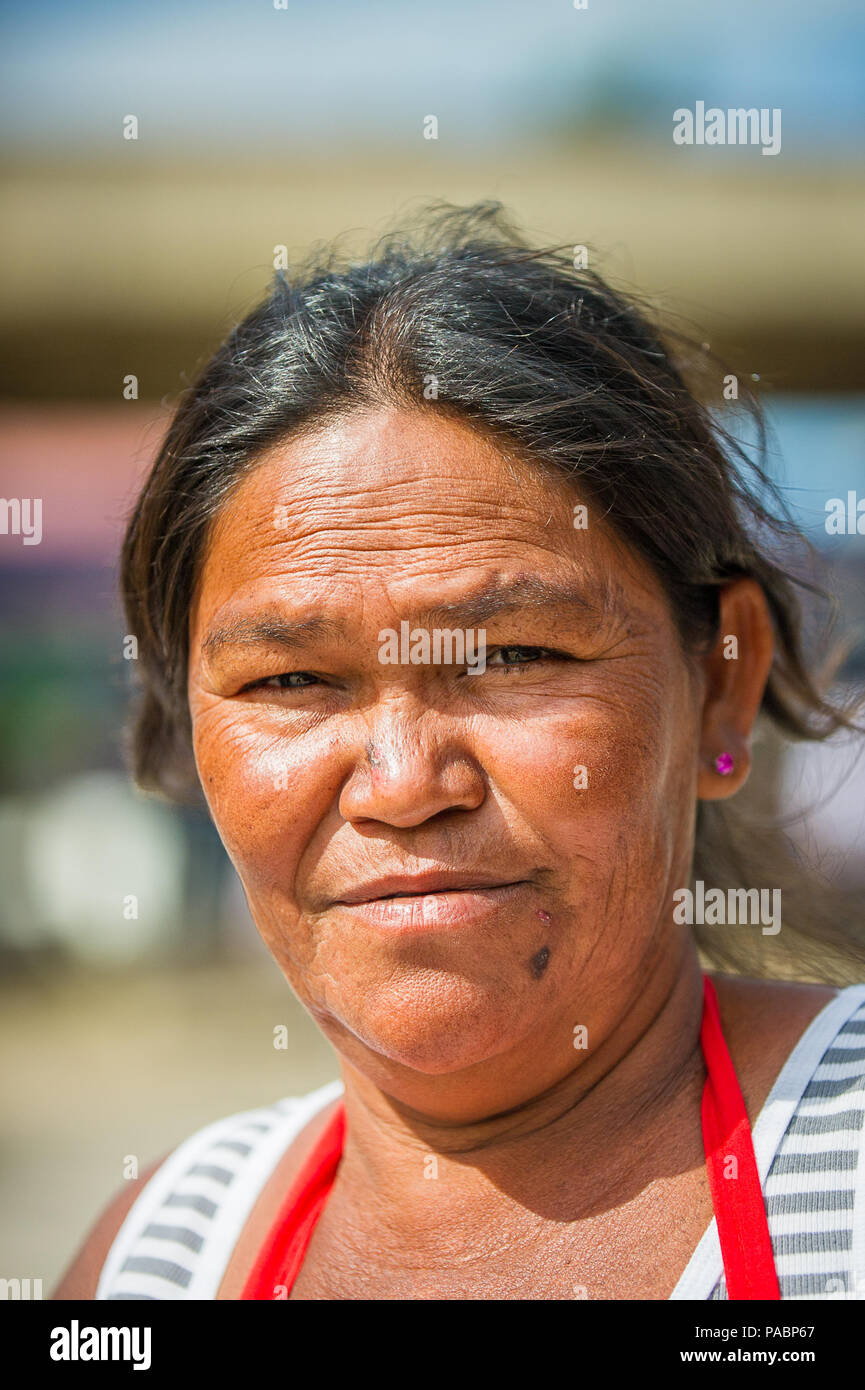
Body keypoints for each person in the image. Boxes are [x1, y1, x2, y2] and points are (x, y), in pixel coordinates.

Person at [54, 201, 865, 1301]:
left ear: (721, 681)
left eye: (516, 655)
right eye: (291, 679)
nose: (401, 787)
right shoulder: (156, 1260)